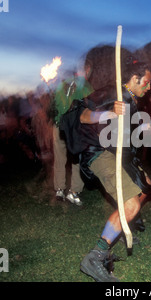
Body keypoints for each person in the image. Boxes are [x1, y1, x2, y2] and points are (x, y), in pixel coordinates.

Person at [77, 55, 151, 282]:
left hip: (121, 155)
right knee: (130, 203)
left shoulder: (131, 98)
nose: (149, 87)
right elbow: (82, 116)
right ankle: (95, 257)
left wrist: (149, 125)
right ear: (134, 79)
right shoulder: (110, 93)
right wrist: (108, 112)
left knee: (146, 187)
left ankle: (121, 227)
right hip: (100, 153)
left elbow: (130, 124)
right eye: (146, 82)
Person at [52, 73, 94, 205]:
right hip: (73, 126)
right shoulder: (83, 83)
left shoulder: (60, 82)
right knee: (77, 157)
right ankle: (73, 192)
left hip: (61, 124)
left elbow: (54, 103)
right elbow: (91, 103)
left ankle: (61, 190)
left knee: (63, 157)